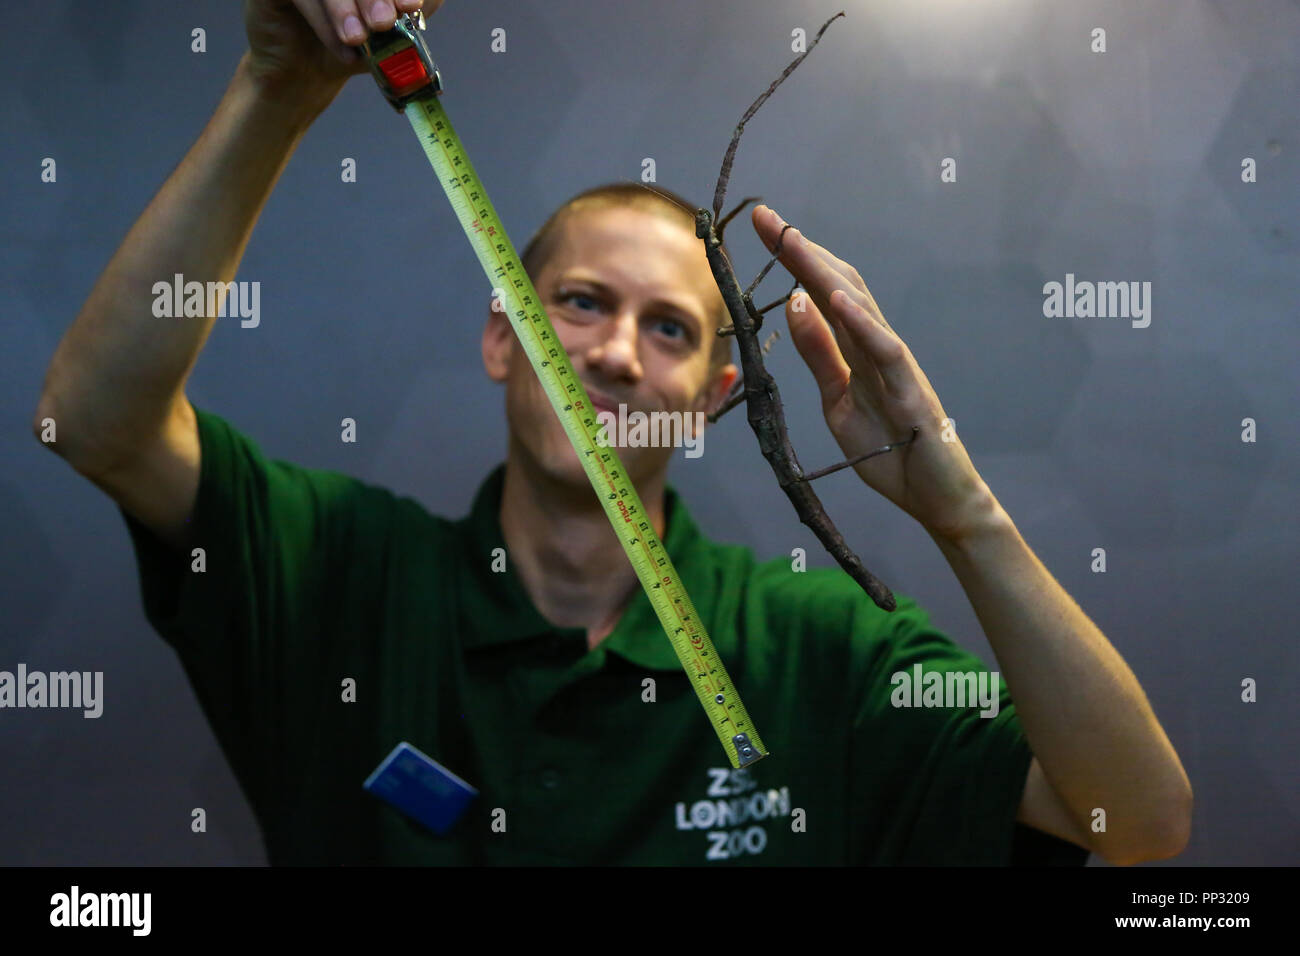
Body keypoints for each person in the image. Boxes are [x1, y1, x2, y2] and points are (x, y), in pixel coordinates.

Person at [34, 0, 1191, 865]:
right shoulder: (340, 572)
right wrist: (279, 82)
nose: (617, 353)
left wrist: (959, 509)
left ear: (716, 391)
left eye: (671, 326)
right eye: (579, 303)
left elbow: (1132, 819)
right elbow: (86, 424)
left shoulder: (817, 645)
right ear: (504, 338)